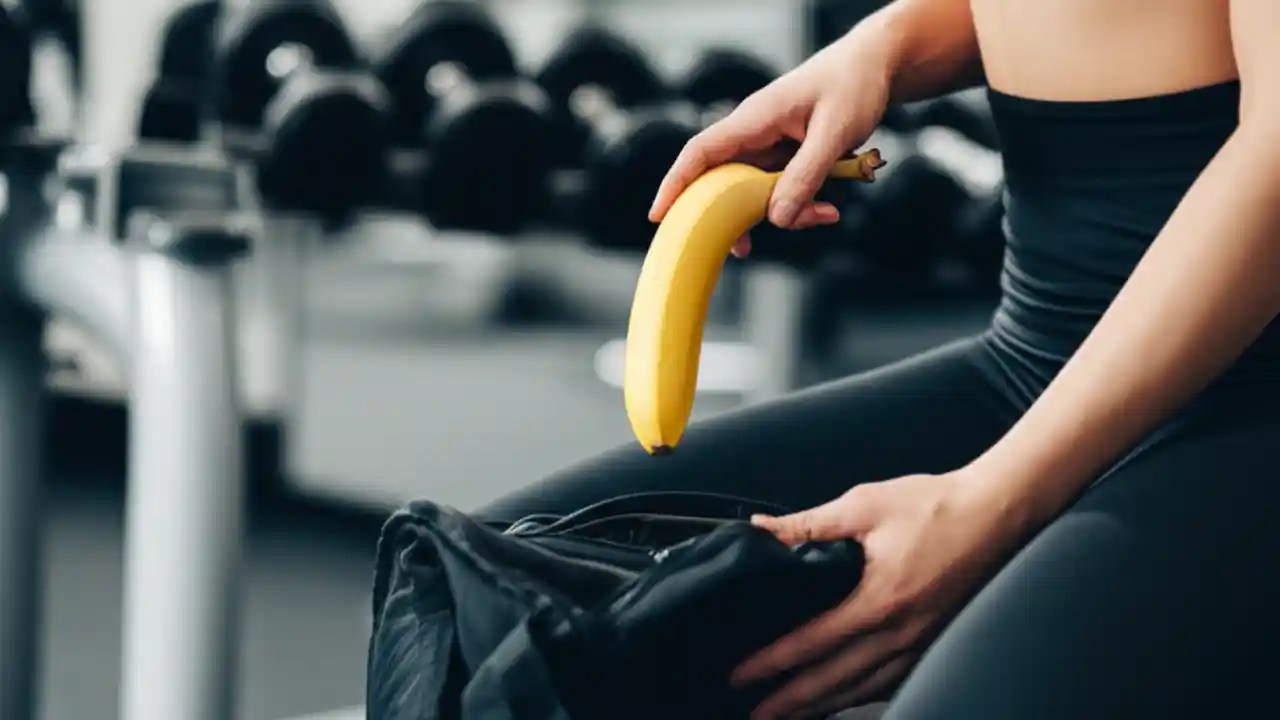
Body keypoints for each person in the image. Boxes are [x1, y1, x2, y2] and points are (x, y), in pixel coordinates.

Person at [479, 1, 1280, 717]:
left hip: (1245, 402)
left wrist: (996, 499)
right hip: (1034, 360)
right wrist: (886, 45)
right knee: (492, 602)